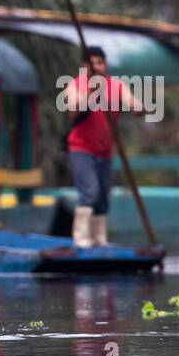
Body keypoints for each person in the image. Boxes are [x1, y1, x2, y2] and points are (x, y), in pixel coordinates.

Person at [62, 46, 148, 248]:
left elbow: (133, 104)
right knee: (90, 192)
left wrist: (139, 108)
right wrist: (92, 91)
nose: (96, 67)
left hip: (105, 151)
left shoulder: (116, 86)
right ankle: (81, 239)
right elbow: (73, 111)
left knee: (102, 199)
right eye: (91, 64)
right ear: (84, 66)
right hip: (81, 148)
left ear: (105, 65)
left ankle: (99, 240)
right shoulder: (75, 85)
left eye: (100, 63)